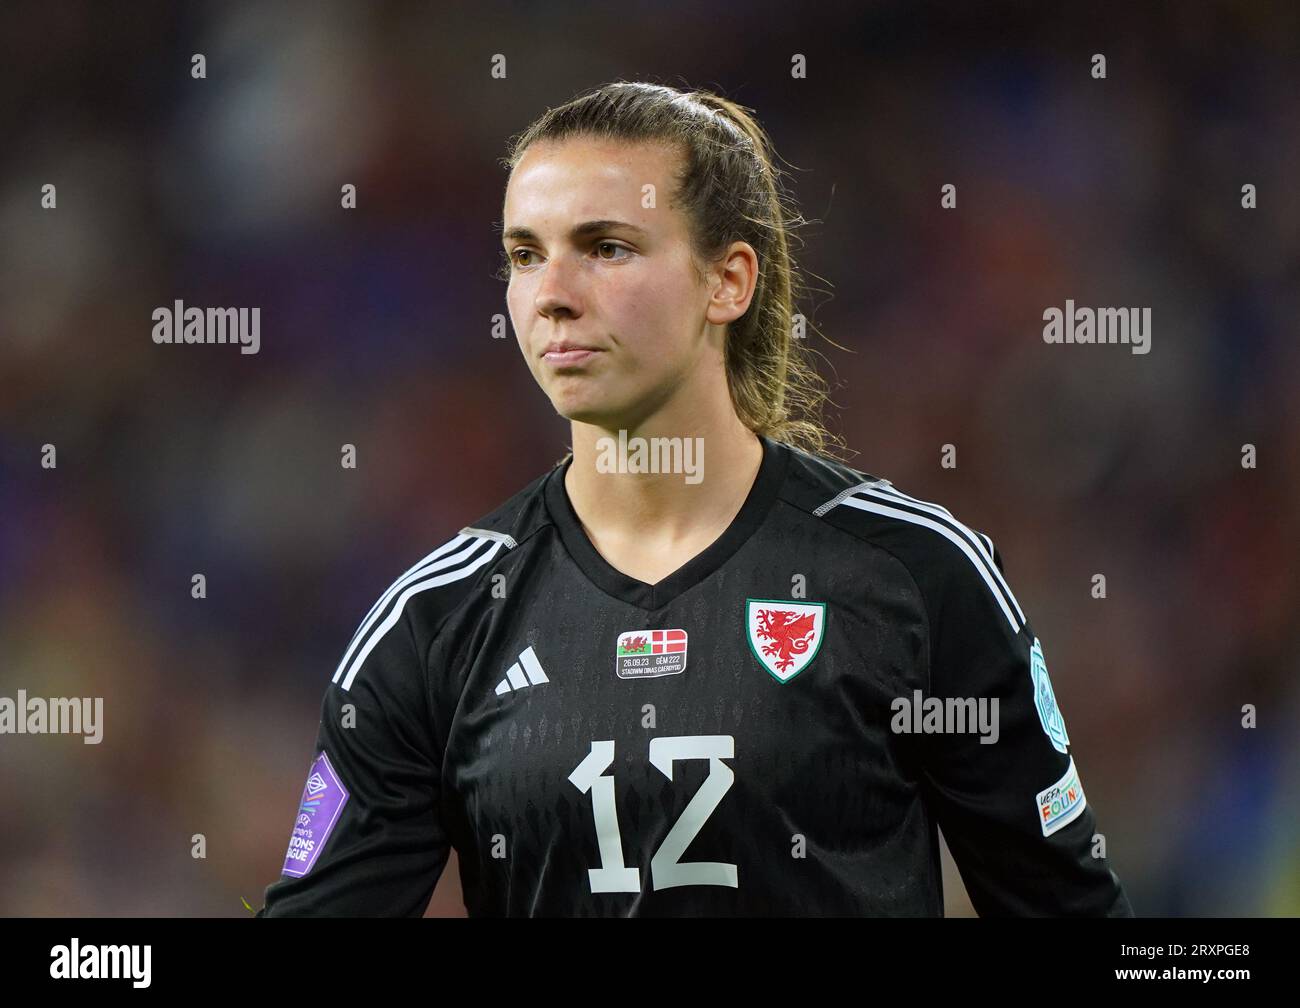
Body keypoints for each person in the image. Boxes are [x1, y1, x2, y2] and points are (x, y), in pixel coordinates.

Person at [257, 81, 1133, 917]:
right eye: (525, 255)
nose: (552, 296)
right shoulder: (435, 624)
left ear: (729, 281)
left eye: (606, 247)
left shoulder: (915, 578)